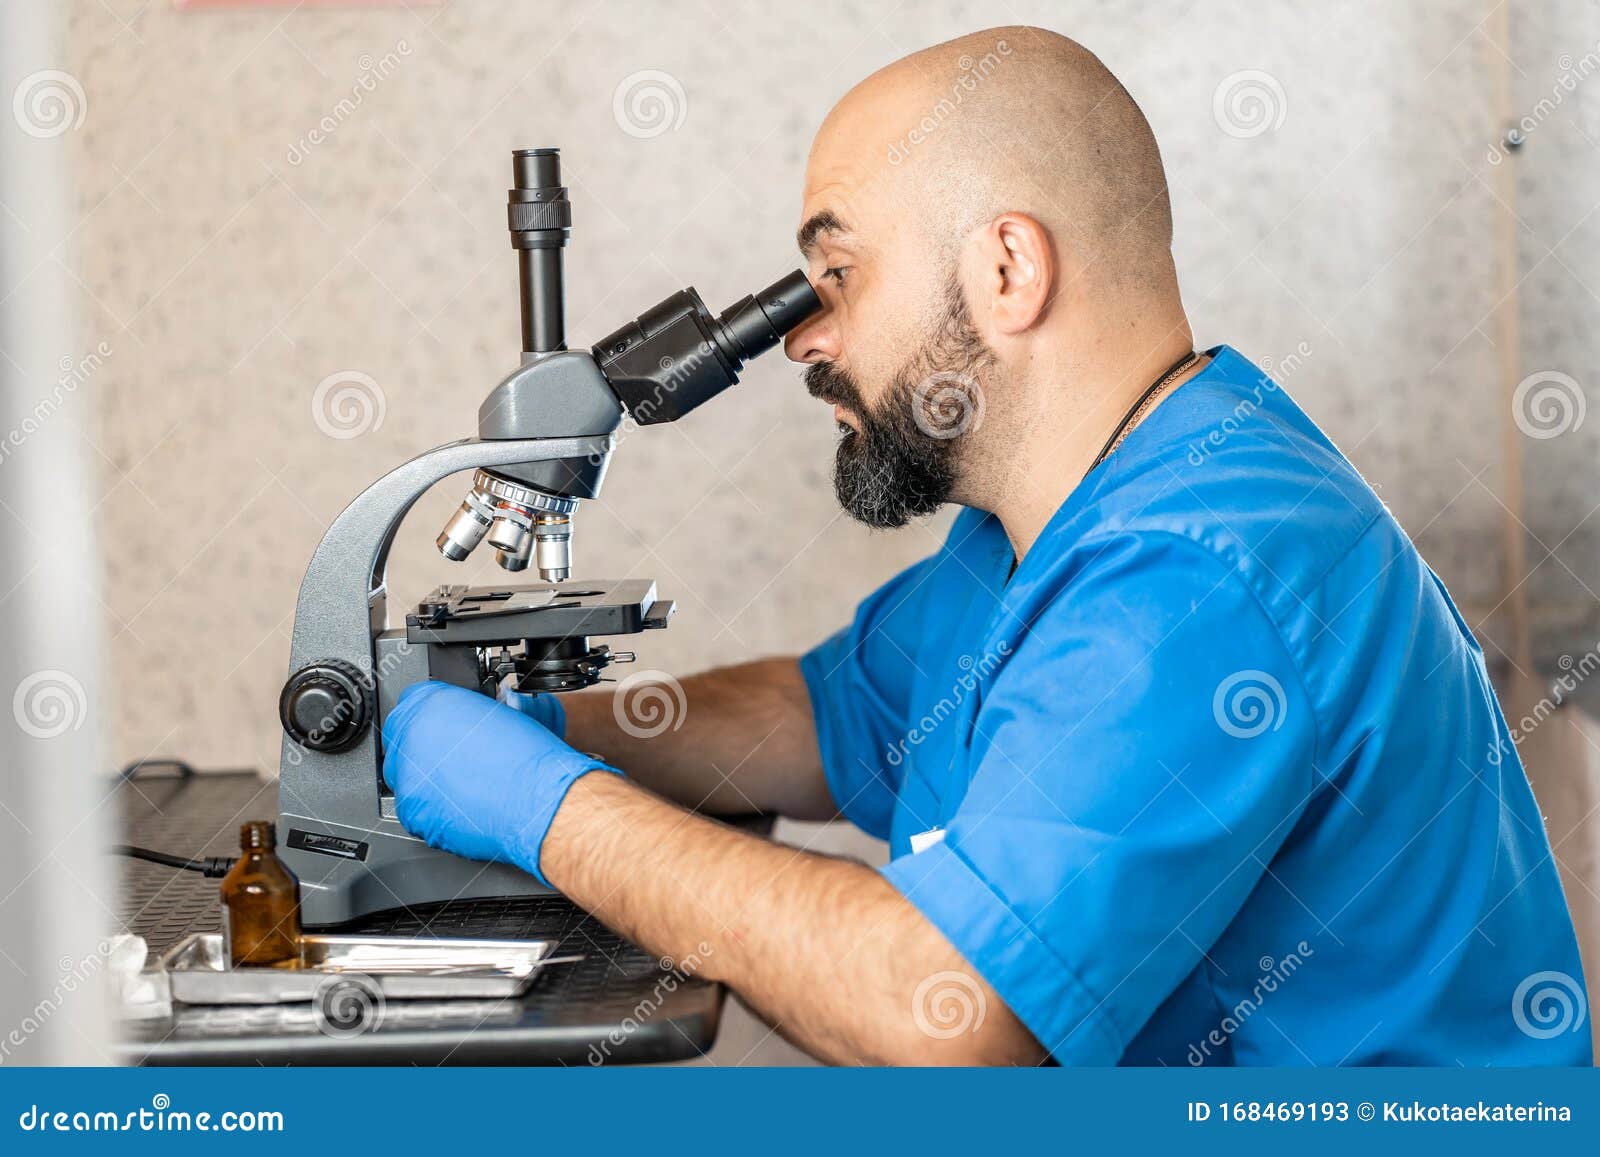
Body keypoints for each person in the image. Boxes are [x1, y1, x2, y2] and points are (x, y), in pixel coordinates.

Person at [381, 27, 1590, 1065]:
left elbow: (948, 1015)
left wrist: (548, 807)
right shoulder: (1045, 520)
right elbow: (829, 716)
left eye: (836, 275)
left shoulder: (1195, 570)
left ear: (1007, 269)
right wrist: (547, 730)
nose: (804, 340)